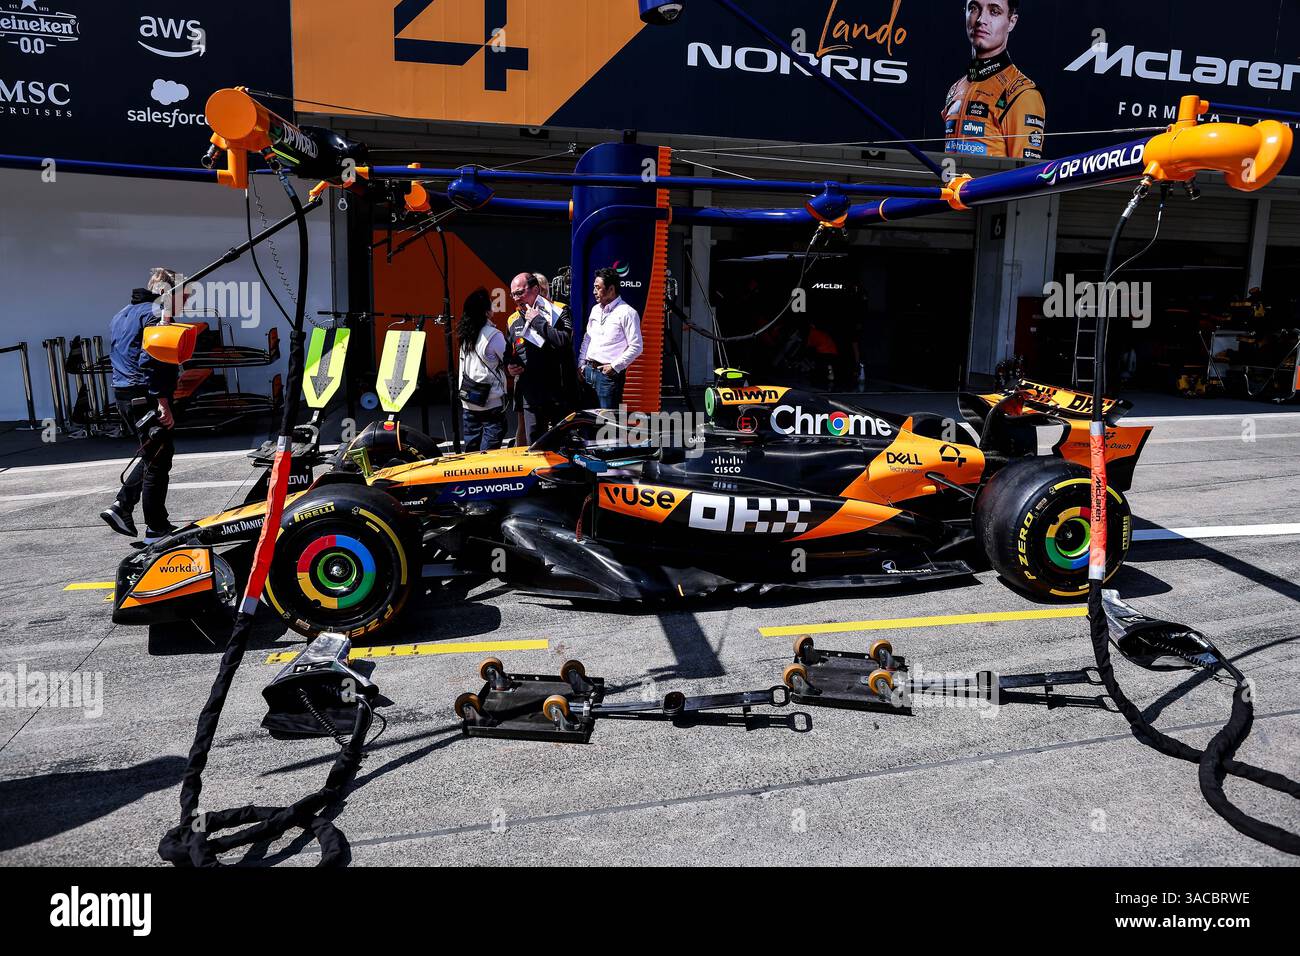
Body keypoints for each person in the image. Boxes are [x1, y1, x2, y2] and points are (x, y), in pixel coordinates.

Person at [100, 267, 183, 542]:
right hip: (144, 394)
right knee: (158, 461)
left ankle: (122, 505)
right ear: (165, 293)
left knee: (153, 455)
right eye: (180, 296)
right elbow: (153, 360)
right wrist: (162, 403)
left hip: (123, 394)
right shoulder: (156, 314)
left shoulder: (120, 314)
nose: (182, 303)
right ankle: (156, 529)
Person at [942, 0, 1045, 161]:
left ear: (1011, 22)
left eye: (994, 11)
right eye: (974, 8)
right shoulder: (956, 88)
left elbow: (1026, 176)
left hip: (991, 187)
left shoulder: (1022, 93)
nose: (981, 20)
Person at [506, 271, 576, 444]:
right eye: (513, 294)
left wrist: (537, 321)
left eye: (520, 293)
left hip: (558, 394)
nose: (516, 298)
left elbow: (564, 340)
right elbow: (510, 352)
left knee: (561, 446)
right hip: (531, 395)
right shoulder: (513, 319)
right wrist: (509, 367)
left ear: (536, 289)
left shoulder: (560, 311)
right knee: (535, 446)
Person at [578, 267, 643, 409]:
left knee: (608, 424)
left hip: (607, 376)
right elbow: (587, 338)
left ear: (611, 289)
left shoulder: (627, 313)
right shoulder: (595, 309)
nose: (594, 292)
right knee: (588, 420)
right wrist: (581, 364)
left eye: (598, 288)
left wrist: (614, 367)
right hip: (588, 372)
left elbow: (637, 346)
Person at [457, 287, 508, 451]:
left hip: (468, 400)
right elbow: (509, 359)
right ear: (486, 312)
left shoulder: (465, 334)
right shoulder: (493, 335)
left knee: (471, 449)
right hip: (490, 401)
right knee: (489, 452)